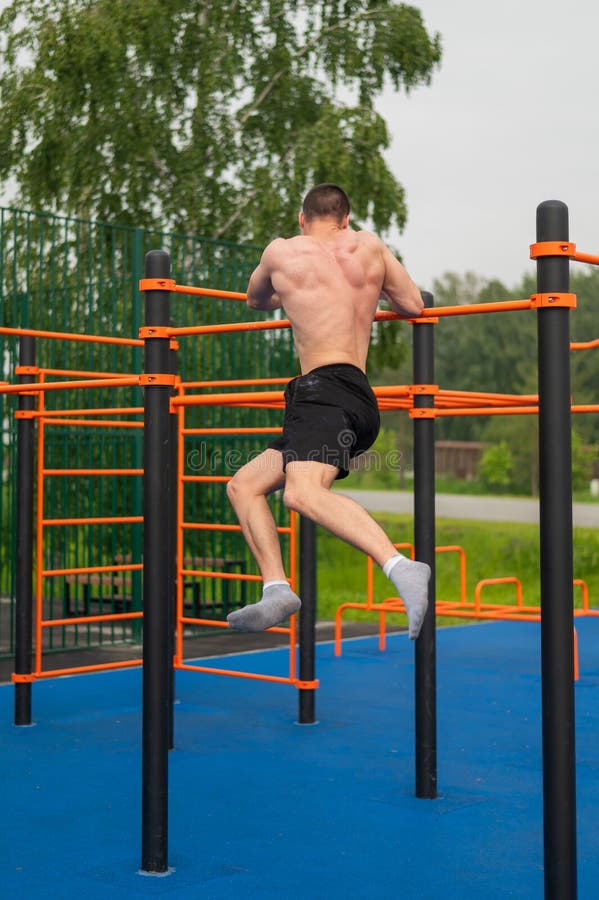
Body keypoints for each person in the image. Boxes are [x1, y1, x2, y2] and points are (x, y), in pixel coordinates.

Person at [226, 183, 430, 638]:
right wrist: (365, 291)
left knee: (301, 494)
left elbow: (255, 300)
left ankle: (399, 565)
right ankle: (277, 589)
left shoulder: (282, 252)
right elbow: (413, 305)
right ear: (346, 218)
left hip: (322, 394)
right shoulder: (371, 247)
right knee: (244, 486)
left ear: (303, 219)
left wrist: (292, 294)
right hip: (356, 397)